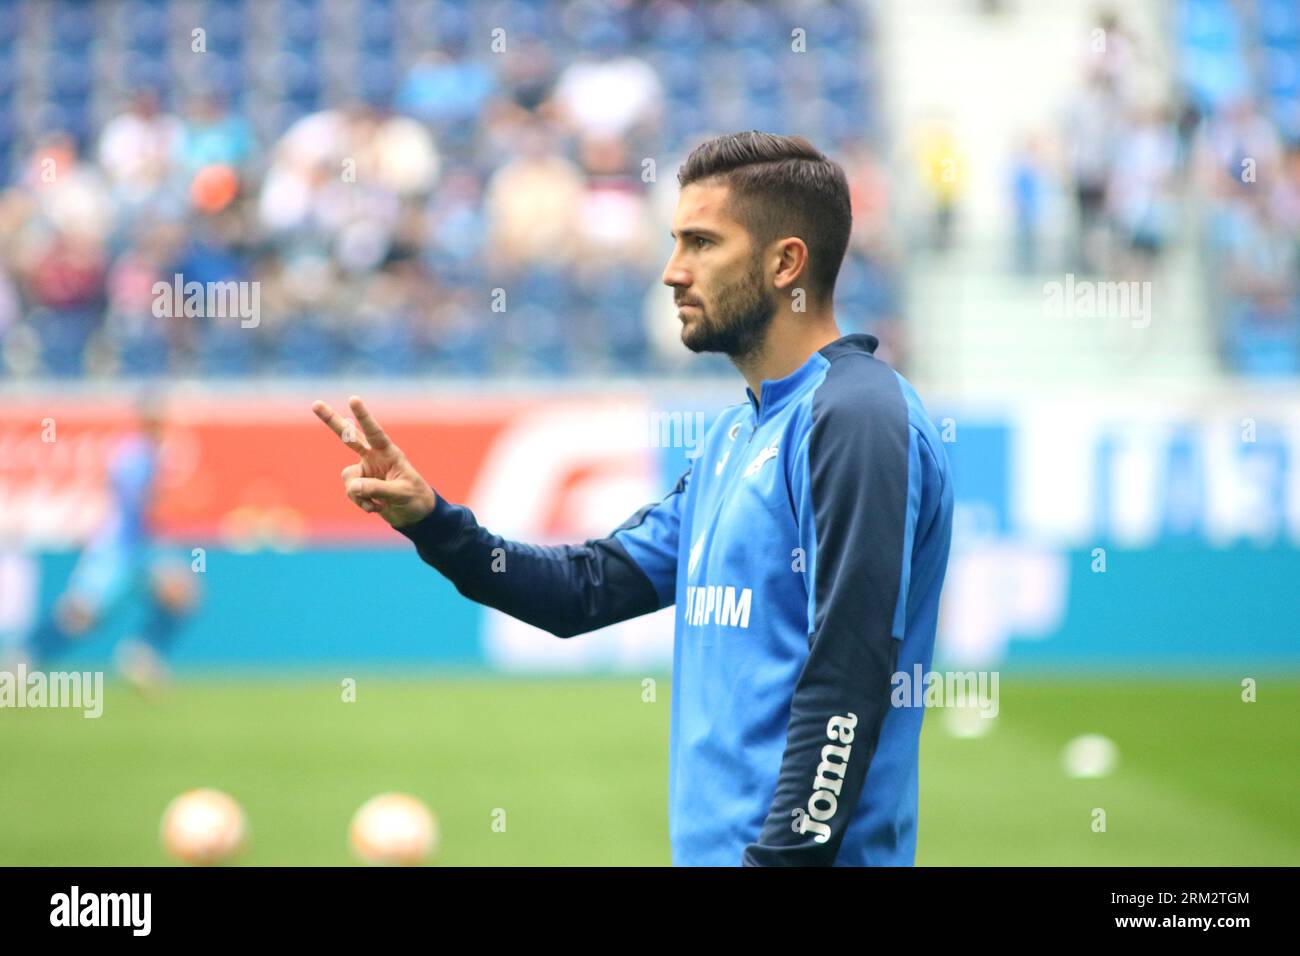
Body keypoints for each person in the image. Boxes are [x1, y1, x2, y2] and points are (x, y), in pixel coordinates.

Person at [312, 132, 954, 866]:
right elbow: (580, 593)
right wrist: (433, 521)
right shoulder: (733, 437)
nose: (672, 272)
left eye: (701, 243)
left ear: (786, 263)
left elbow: (850, 673)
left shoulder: (857, 417)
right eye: (674, 241)